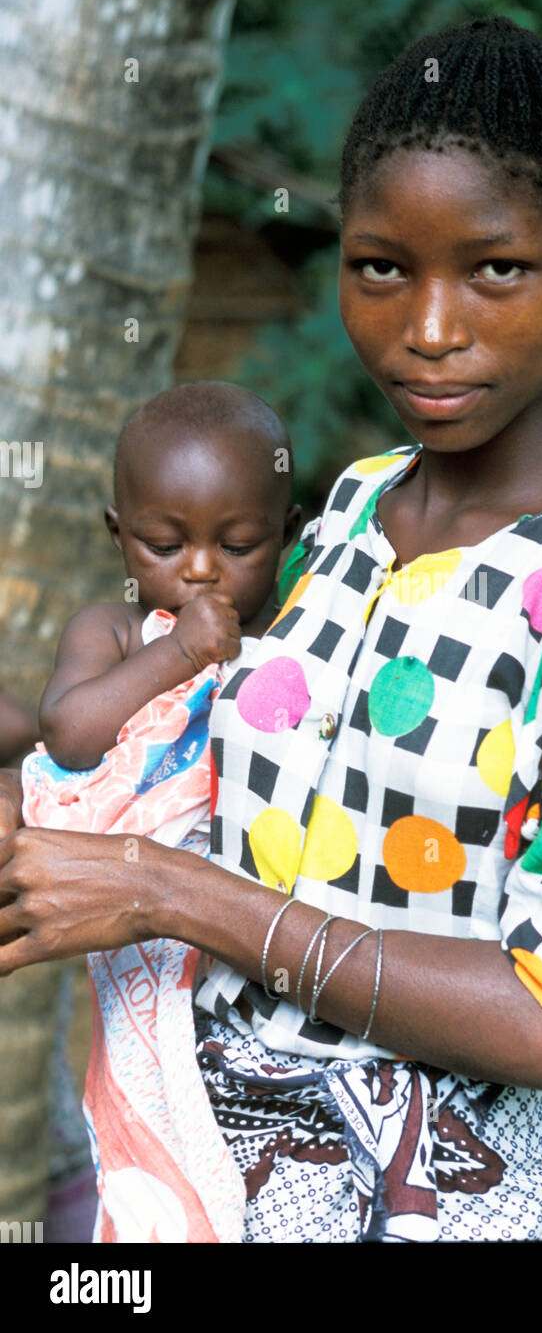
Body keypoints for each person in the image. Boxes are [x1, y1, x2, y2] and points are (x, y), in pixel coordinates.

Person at [0, 16, 542, 1243]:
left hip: (439, 1199)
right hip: (198, 1176)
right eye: (381, 267)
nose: (430, 327)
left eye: (494, 269)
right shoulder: (339, 514)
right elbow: (169, 742)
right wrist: (44, 811)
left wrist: (162, 892)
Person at [19, 380, 301, 1241]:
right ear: (119, 535)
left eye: (239, 544)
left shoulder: (289, 637)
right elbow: (70, 732)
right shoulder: (112, 630)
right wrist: (178, 651)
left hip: (251, 930)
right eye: (165, 544)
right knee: (154, 1115)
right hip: (135, 924)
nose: (202, 569)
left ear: (287, 535)